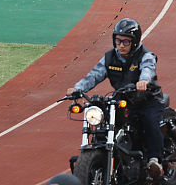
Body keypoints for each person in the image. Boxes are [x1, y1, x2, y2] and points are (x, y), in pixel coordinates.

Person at [69, 18, 164, 182]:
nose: (120, 45)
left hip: (147, 100)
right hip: (123, 99)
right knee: (103, 121)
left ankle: (154, 160)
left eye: (126, 41)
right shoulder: (109, 58)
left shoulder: (145, 56)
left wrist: (143, 81)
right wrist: (78, 88)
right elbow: (94, 75)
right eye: (118, 40)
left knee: (149, 120)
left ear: (134, 42)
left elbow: (148, 69)